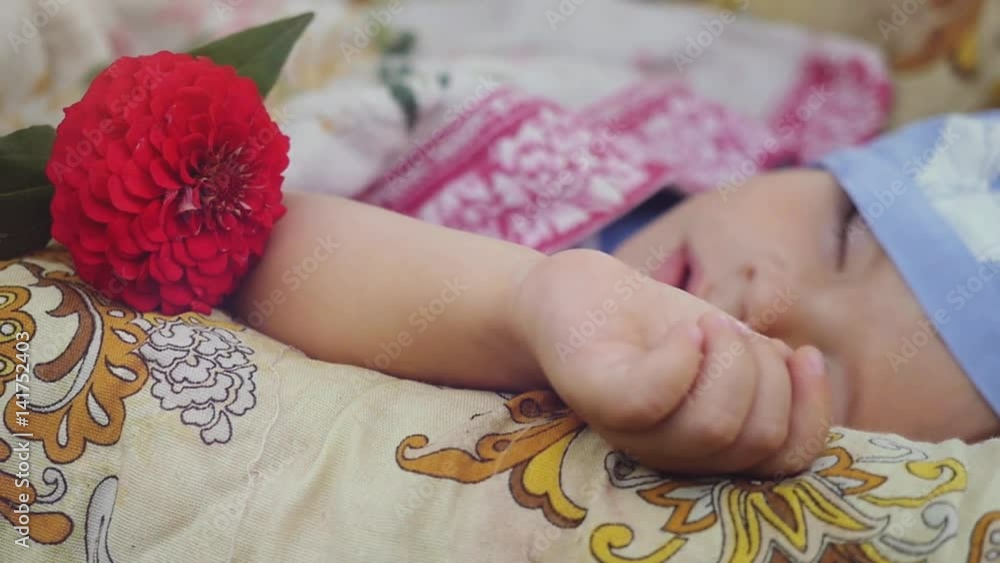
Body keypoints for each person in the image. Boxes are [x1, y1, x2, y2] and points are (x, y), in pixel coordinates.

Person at [233, 112, 1000, 478]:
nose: (772, 301)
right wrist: (529, 297)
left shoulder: (669, 447)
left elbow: (250, 258)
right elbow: (246, 231)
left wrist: (527, 313)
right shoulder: (596, 148)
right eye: (845, 234)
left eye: (822, 373)